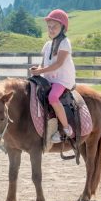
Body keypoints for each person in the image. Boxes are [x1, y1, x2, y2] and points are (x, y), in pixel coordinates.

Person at [29, 9, 76, 144]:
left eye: (54, 26)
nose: (51, 29)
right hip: (49, 78)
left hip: (61, 79)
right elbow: (43, 64)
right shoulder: (48, 45)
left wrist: (41, 70)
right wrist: (37, 69)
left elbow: (58, 64)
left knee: (53, 97)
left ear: (62, 28)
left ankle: (66, 128)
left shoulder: (65, 43)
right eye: (49, 27)